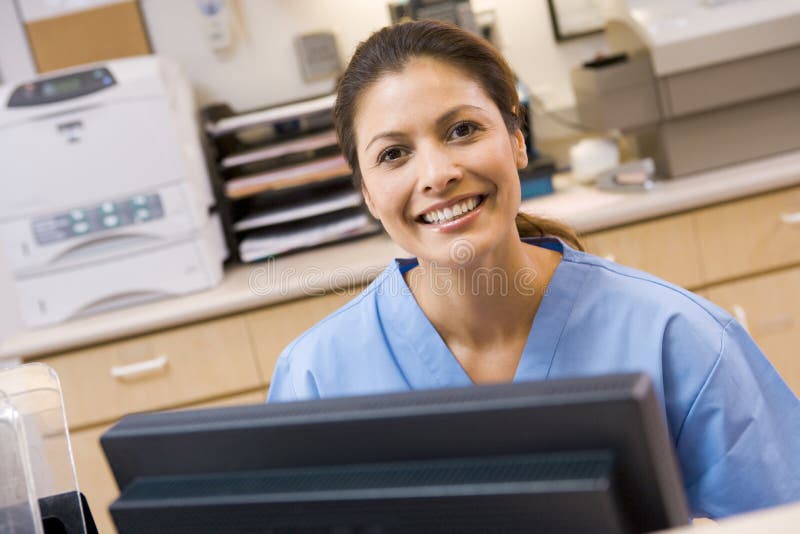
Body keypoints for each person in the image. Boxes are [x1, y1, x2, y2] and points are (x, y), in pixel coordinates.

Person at [267, 20, 800, 519]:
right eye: (393, 155)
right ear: (366, 191)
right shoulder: (316, 380)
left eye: (461, 130)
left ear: (517, 139)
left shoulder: (681, 340)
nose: (437, 174)